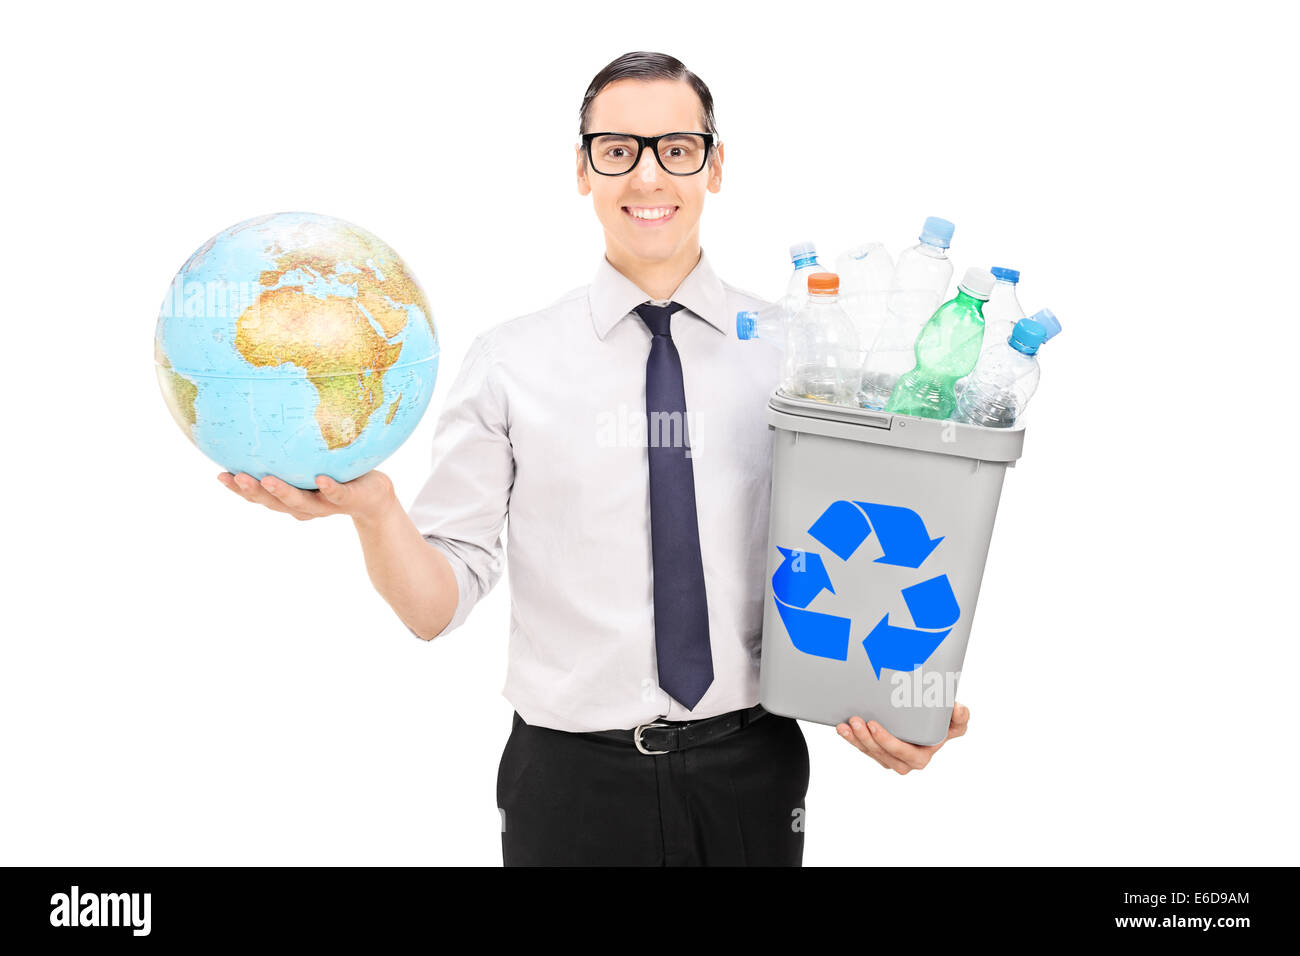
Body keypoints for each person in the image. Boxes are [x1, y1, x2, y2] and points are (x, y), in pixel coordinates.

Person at [217, 50, 970, 867]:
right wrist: (376, 512)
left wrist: (906, 698)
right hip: (570, 782)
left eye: (677, 148)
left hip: (753, 770)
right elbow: (435, 608)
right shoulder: (510, 362)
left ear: (715, 166)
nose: (649, 176)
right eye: (618, 150)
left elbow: (869, 537)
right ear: (583, 170)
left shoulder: (799, 356)